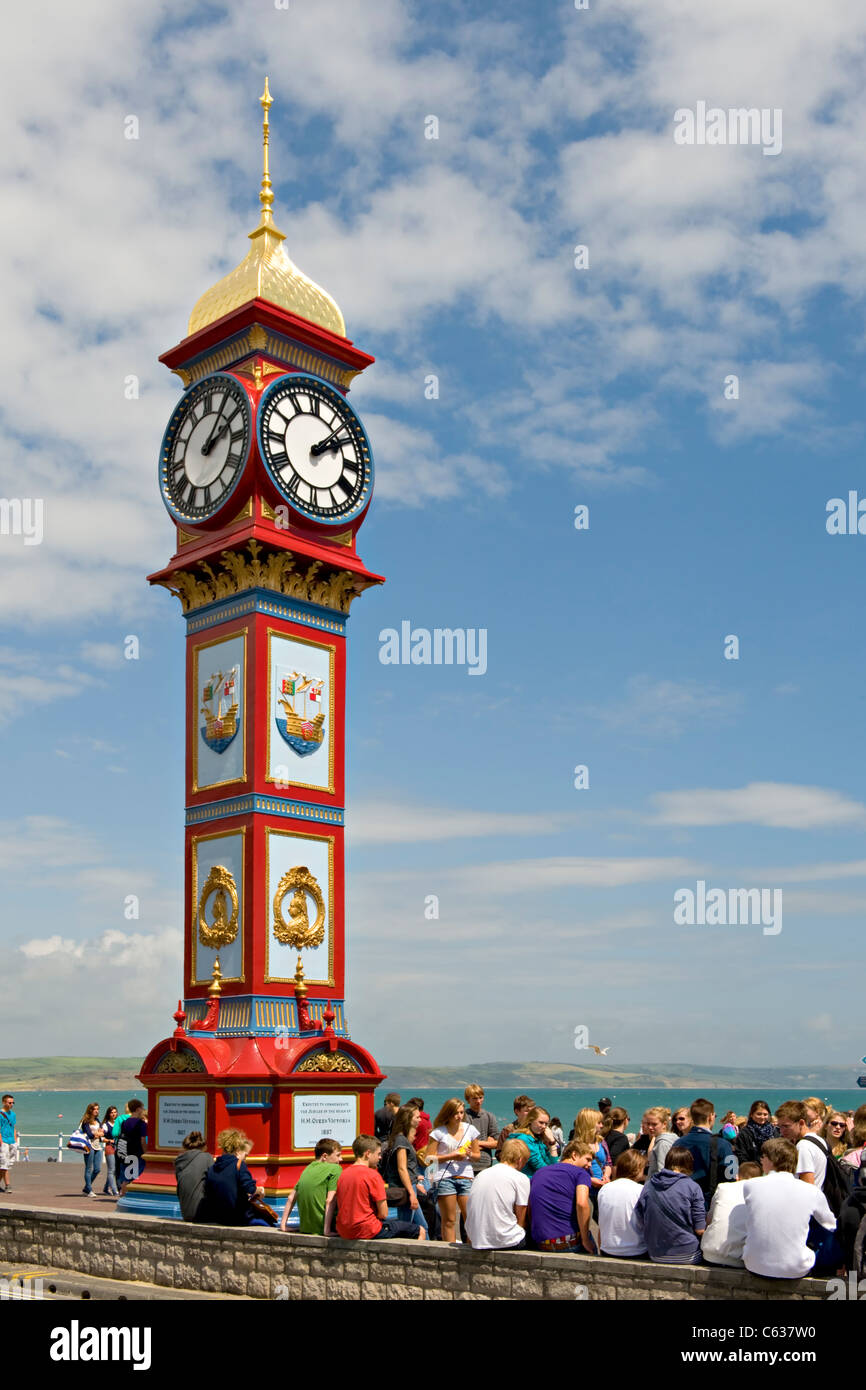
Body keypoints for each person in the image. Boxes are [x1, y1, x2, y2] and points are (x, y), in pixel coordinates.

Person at [742, 1138, 836, 1280]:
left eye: (764, 1156)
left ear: (773, 1160)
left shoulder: (750, 1185)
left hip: (754, 1265)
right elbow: (831, 1225)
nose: (761, 1160)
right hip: (794, 1270)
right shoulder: (812, 1191)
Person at [330, 1135, 425, 1241]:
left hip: (344, 1230)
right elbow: (384, 1213)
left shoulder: (343, 1174)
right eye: (378, 1154)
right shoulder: (373, 1175)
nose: (380, 1157)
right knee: (420, 1230)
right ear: (368, 1154)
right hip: (367, 1229)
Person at [635, 1146, 706, 1265]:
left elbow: (640, 1218)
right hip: (688, 1254)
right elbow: (700, 1229)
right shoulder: (692, 1187)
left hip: (655, 1254)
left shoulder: (649, 1185)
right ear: (688, 1165)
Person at [426, 1098, 481, 1243]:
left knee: (470, 1217)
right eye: (455, 1113)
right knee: (449, 1219)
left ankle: (471, 1249)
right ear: (448, 1114)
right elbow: (429, 1159)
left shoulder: (470, 1130)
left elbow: (477, 1156)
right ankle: (448, 1251)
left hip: (466, 1176)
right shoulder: (438, 1133)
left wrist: (468, 1154)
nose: (459, 1116)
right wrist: (452, 1155)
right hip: (444, 1178)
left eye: (461, 1112)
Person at [529, 1140, 596, 1253]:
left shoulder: (539, 1173)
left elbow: (531, 1206)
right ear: (574, 1155)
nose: (589, 1165)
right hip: (568, 1242)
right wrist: (585, 1239)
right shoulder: (580, 1173)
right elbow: (582, 1203)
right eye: (587, 1159)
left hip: (541, 1243)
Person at [465, 1138, 530, 1251]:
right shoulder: (520, 1178)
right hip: (505, 1241)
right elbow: (521, 1215)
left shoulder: (481, 1174)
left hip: (476, 1239)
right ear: (520, 1160)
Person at [701, 1161, 762, 1268]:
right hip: (740, 1259)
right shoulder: (759, 1195)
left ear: (737, 1177)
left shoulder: (722, 1187)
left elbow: (709, 1220)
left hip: (710, 1254)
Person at [203, 1129, 270, 1226]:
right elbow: (250, 1189)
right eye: (246, 1155)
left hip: (217, 1217)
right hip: (236, 1218)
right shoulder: (238, 1165)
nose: (246, 1159)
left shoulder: (213, 1168)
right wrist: (260, 1190)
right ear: (238, 1150)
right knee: (268, 1223)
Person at [675, 1099, 734, 1201]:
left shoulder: (678, 1143)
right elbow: (731, 1175)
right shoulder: (723, 1145)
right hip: (710, 1202)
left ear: (692, 1118)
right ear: (710, 1117)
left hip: (682, 1199)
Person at [380, 1105, 428, 1231]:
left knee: (422, 1226)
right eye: (417, 1117)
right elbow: (402, 1168)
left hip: (409, 1185)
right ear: (408, 1119)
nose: (420, 1120)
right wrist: (412, 1193)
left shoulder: (401, 1139)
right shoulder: (401, 1141)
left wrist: (416, 1177)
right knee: (406, 1226)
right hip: (405, 1188)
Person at [280, 1137, 341, 1234]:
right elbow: (330, 1200)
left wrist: (283, 1225)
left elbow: (291, 1197)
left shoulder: (308, 1168)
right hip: (325, 1228)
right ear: (325, 1156)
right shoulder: (335, 1168)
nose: (340, 1159)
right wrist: (327, 1231)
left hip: (306, 1229)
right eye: (338, 1155)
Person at [597, 1149, 648, 1257]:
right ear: (638, 1168)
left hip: (608, 1250)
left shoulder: (604, 1189)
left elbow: (602, 1224)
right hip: (636, 1251)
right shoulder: (641, 1190)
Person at [572, 1108, 611, 1208]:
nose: (602, 1126)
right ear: (589, 1124)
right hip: (586, 1191)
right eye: (599, 1123)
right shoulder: (576, 1146)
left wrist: (606, 1175)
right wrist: (591, 1180)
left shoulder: (601, 1141)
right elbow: (572, 1171)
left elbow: (608, 1163)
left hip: (602, 1190)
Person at [508, 1107, 558, 1178]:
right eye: (541, 1122)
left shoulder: (538, 1140)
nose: (544, 1126)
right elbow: (542, 1168)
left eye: (546, 1124)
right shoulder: (524, 1139)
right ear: (530, 1121)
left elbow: (553, 1166)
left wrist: (550, 1144)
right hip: (527, 1183)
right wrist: (552, 1143)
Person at [174, 1131, 212, 1222]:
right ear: (204, 1146)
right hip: (201, 1214)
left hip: (186, 1214)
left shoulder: (179, 1161)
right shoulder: (207, 1158)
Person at [463, 1085, 499, 1173]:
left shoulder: (489, 1116)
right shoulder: (464, 1117)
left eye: (480, 1098)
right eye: (474, 1098)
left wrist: (478, 1143)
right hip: (467, 1165)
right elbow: (465, 1145)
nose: (478, 1101)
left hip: (486, 1164)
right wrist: (487, 1143)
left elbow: (497, 1143)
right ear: (468, 1099)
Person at [117, 1099, 148, 1197]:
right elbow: (143, 1140)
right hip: (137, 1153)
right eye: (142, 1108)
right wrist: (146, 1153)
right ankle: (134, 1197)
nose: (143, 1110)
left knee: (125, 1177)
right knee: (136, 1176)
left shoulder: (124, 1123)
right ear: (138, 1109)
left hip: (126, 1152)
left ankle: (123, 1196)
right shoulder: (142, 1124)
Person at [733, 1100, 778, 1166]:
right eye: (759, 1114)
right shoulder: (745, 1133)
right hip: (753, 1171)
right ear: (751, 1114)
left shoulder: (773, 1131)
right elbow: (741, 1155)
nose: (762, 1117)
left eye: (765, 1114)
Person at [643, 1107, 677, 1179]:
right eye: (648, 1123)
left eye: (654, 1124)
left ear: (664, 1124)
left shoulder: (663, 1143)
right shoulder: (671, 1139)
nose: (650, 1127)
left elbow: (663, 1172)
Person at [80, 1102, 104, 1197]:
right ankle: (89, 1189)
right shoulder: (85, 1121)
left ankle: (86, 1187)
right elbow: (89, 1135)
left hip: (98, 1146)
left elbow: (102, 1132)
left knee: (97, 1169)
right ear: (90, 1110)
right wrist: (97, 1134)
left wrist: (98, 1134)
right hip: (89, 1146)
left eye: (98, 1109)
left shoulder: (98, 1120)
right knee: (88, 1168)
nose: (97, 1111)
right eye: (95, 1109)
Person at [0, 1094, 18, 1192]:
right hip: (3, 1141)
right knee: (4, 1163)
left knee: (9, 1163)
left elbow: (13, 1127)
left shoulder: (13, 1114)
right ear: (4, 1102)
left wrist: (15, 1141)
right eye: (9, 1102)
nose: (11, 1104)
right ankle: (8, 1185)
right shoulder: (0, 1114)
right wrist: (1, 1142)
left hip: (12, 1141)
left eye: (12, 1103)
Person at [101, 1106, 120, 1197]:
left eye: (115, 1112)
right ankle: (115, 1190)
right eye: (112, 1112)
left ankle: (106, 1187)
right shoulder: (105, 1125)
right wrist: (109, 1140)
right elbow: (101, 1137)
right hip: (110, 1147)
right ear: (109, 1114)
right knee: (111, 1169)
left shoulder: (119, 1123)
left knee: (116, 1169)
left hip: (119, 1148)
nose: (114, 1114)